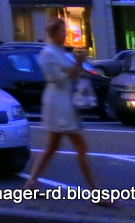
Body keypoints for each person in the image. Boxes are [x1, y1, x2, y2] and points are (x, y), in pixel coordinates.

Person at [24, 18, 106, 203]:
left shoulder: (59, 51)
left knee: (52, 146)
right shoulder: (48, 53)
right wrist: (78, 63)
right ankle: (96, 192)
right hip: (60, 104)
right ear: (53, 34)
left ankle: (31, 181)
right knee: (81, 147)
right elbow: (59, 79)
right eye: (62, 32)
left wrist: (79, 64)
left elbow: (71, 74)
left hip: (63, 100)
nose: (65, 35)